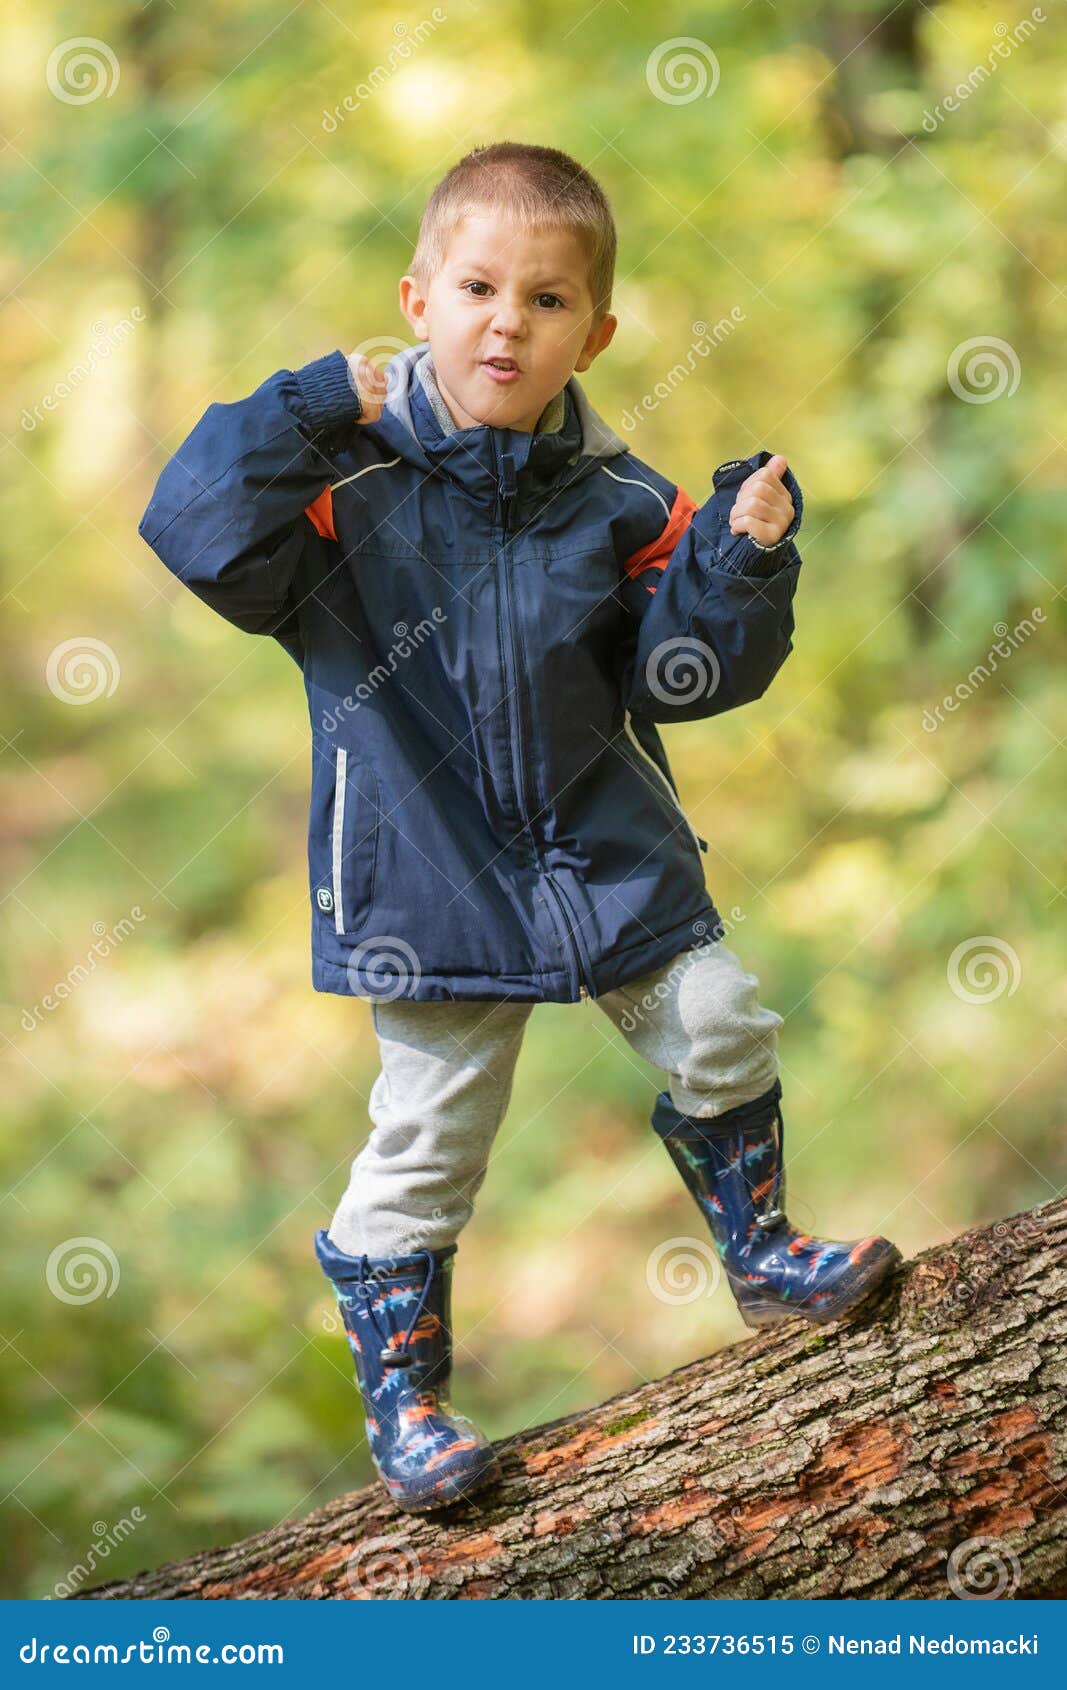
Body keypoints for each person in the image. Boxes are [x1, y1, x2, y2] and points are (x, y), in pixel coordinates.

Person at [138, 140, 901, 1516]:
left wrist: (741, 555)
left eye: (547, 301)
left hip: (606, 851)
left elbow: (694, 673)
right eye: (480, 286)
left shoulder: (619, 500)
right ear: (418, 297)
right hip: (421, 870)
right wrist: (311, 400)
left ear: (594, 334)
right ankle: (407, 1396)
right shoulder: (344, 481)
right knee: (430, 1131)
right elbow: (194, 526)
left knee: (720, 1015)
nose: (510, 320)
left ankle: (766, 1250)